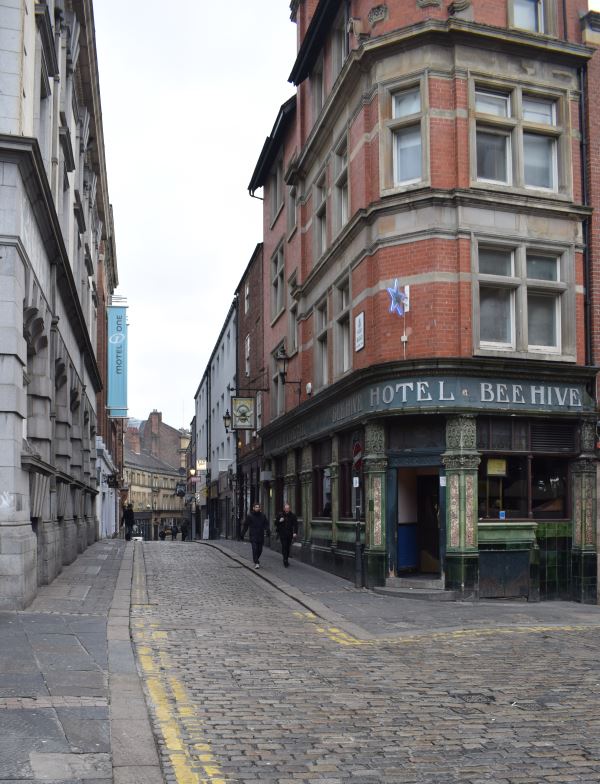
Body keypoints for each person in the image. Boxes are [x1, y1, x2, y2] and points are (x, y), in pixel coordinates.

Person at [241, 502, 270, 569]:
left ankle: (256, 559)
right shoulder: (250, 516)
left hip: (260, 535)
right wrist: (242, 534)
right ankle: (256, 562)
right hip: (253, 535)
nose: (257, 508)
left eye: (258, 507)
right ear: (253, 508)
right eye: (256, 507)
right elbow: (246, 526)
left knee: (260, 550)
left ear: (260, 508)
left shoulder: (263, 516)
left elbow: (266, 524)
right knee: (254, 549)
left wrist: (268, 530)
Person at [275, 503, 298, 568]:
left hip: (289, 534)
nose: (287, 509)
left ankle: (286, 558)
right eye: (286, 508)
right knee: (284, 546)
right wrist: (279, 521)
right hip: (282, 534)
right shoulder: (280, 515)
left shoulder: (293, 516)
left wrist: (295, 532)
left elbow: (295, 524)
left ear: (289, 509)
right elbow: (275, 523)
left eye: (288, 508)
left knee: (288, 547)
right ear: (284, 509)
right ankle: (285, 560)